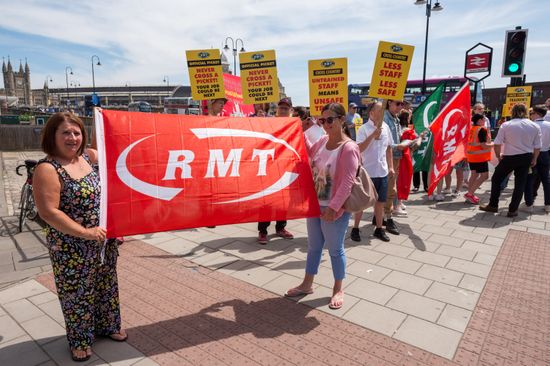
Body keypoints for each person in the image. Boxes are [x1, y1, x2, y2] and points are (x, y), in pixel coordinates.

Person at [32, 112, 126, 362]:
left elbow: (107, 148)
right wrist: (86, 233)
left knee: (106, 285)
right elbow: (48, 213)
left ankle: (108, 326)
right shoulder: (47, 169)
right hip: (71, 247)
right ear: (52, 136)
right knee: (77, 294)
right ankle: (80, 340)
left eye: (76, 132)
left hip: (103, 241)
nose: (72, 137)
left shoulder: (88, 157)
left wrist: (100, 118)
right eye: (65, 132)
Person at [285, 102, 360, 310]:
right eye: (322, 120)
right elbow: (309, 153)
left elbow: (347, 182)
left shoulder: (349, 148)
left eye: (330, 120)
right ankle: (307, 284)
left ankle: (338, 288)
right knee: (314, 247)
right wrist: (301, 130)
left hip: (333, 210)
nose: (325, 124)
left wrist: (334, 208)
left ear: (341, 120)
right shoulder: (323, 140)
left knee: (335, 250)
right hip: (315, 204)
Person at [480, 104, 542, 217]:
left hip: (509, 157)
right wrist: (535, 159)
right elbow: (537, 146)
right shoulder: (534, 126)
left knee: (496, 179)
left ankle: (493, 205)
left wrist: (498, 156)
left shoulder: (506, 125)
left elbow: (497, 143)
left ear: (513, 112)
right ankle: (513, 210)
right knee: (520, 184)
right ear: (526, 112)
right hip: (526, 157)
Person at [351, 102, 393, 242]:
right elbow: (359, 149)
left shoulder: (386, 127)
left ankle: (379, 229)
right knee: (362, 202)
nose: (382, 113)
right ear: (371, 113)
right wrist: (372, 136)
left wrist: (391, 166)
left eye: (383, 110)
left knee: (380, 202)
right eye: (379, 110)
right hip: (367, 172)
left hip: (382, 171)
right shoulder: (363, 129)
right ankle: (355, 228)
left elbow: (388, 148)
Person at [257, 98, 295, 244]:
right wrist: (259, 121)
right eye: (281, 108)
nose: (283, 110)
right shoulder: (268, 122)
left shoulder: (294, 125)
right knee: (267, 200)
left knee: (283, 200)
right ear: (277, 110)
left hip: (286, 168)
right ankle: (263, 230)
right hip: (269, 167)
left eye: (286, 108)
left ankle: (280, 227)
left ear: (291, 110)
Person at [383, 99, 408, 234]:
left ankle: (380, 216)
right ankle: (388, 218)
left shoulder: (395, 118)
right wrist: (398, 146)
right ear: (389, 103)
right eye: (398, 103)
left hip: (396, 156)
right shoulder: (385, 118)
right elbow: (383, 142)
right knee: (390, 189)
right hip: (389, 157)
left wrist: (409, 141)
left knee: (391, 188)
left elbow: (395, 138)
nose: (400, 106)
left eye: (402, 104)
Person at [522, 105, 550, 213]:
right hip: (545, 154)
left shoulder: (531, 125)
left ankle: (529, 204)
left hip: (532, 154)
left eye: (532, 113)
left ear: (537, 114)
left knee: (529, 179)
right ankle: (548, 204)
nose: (530, 115)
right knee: (546, 180)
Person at [465, 114, 493, 204]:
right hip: (479, 157)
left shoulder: (472, 128)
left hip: (472, 156)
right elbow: (484, 146)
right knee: (485, 176)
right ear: (480, 120)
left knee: (474, 175)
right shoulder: (482, 129)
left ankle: (470, 194)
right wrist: (494, 144)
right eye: (484, 119)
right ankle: (470, 194)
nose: (485, 121)